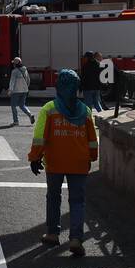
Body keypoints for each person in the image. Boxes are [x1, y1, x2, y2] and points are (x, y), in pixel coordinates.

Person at [29, 68, 98, 256]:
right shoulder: (85, 111)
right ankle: (76, 239)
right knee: (77, 201)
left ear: (59, 87)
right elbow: (92, 140)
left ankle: (52, 233)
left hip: (55, 163)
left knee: (53, 197)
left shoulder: (49, 109)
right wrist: (92, 156)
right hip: (79, 163)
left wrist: (35, 158)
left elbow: (40, 138)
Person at [8, 56, 33, 126]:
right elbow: (28, 80)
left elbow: (12, 82)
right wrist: (26, 88)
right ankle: (30, 115)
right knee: (22, 105)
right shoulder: (25, 70)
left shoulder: (14, 71)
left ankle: (16, 121)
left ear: (15, 64)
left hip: (16, 91)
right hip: (24, 91)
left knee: (13, 106)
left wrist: (10, 90)